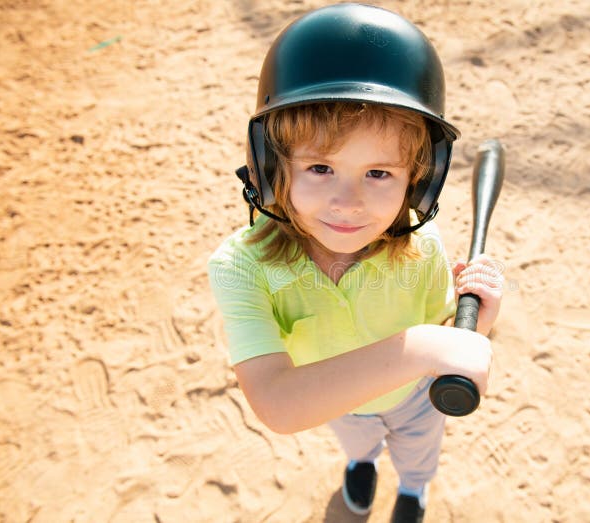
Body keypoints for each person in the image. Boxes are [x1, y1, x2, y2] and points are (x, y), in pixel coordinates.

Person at [208, 4, 503, 522]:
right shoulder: (242, 266)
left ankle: (412, 491)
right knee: (358, 443)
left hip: (415, 398)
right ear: (271, 166)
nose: (348, 203)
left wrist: (479, 319)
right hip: (340, 401)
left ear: (418, 179)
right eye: (320, 167)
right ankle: (362, 464)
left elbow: (444, 330)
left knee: (418, 455)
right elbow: (278, 403)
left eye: (378, 173)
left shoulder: (422, 245)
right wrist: (427, 347)